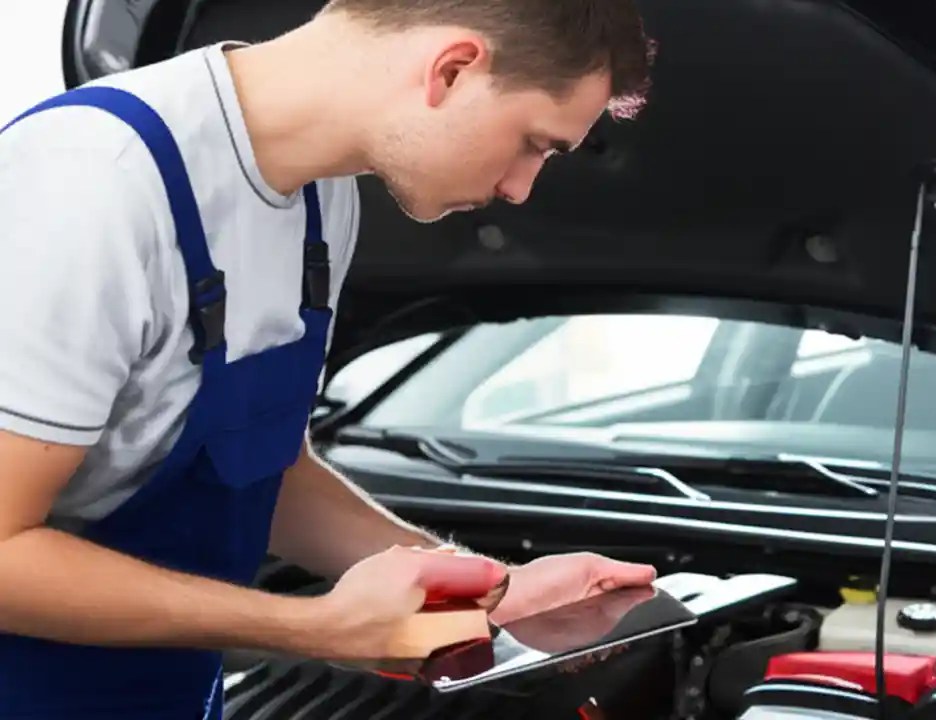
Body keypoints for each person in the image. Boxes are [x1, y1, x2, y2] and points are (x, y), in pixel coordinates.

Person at [0, 0, 657, 717]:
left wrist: (493, 589)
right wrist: (316, 629)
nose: (520, 188)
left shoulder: (322, 200)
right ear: (453, 68)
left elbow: (259, 466)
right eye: (534, 143)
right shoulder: (93, 183)